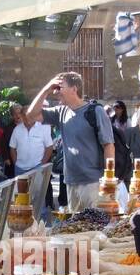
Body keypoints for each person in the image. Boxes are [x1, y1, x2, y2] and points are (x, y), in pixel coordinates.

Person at [24, 71, 114, 211]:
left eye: (61, 88)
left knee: (96, 229)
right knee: (76, 231)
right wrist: (46, 88)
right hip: (71, 182)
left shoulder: (96, 111)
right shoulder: (61, 112)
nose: (57, 92)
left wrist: (109, 180)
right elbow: (31, 115)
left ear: (74, 89)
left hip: (93, 182)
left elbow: (108, 145)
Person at [8, 103, 54, 186]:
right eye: (24, 116)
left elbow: (49, 147)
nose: (27, 118)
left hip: (37, 167)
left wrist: (42, 164)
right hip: (20, 169)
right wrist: (16, 163)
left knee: (36, 195)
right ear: (21, 116)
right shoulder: (17, 129)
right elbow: (12, 148)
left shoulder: (43, 127)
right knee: (22, 196)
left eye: (29, 115)